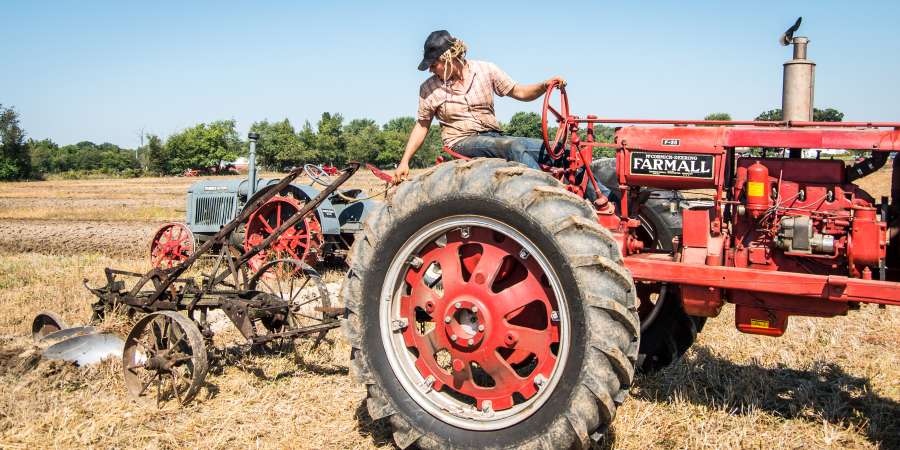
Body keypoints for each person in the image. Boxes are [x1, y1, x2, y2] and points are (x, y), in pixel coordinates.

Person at [392, 30, 567, 184]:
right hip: (461, 141)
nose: (430, 70)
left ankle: (593, 199)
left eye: (433, 65)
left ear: (448, 58)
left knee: (560, 151)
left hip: (494, 136)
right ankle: (547, 195)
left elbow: (520, 92)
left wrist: (544, 85)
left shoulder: (486, 70)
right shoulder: (428, 89)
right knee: (513, 147)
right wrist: (404, 161)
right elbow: (422, 125)